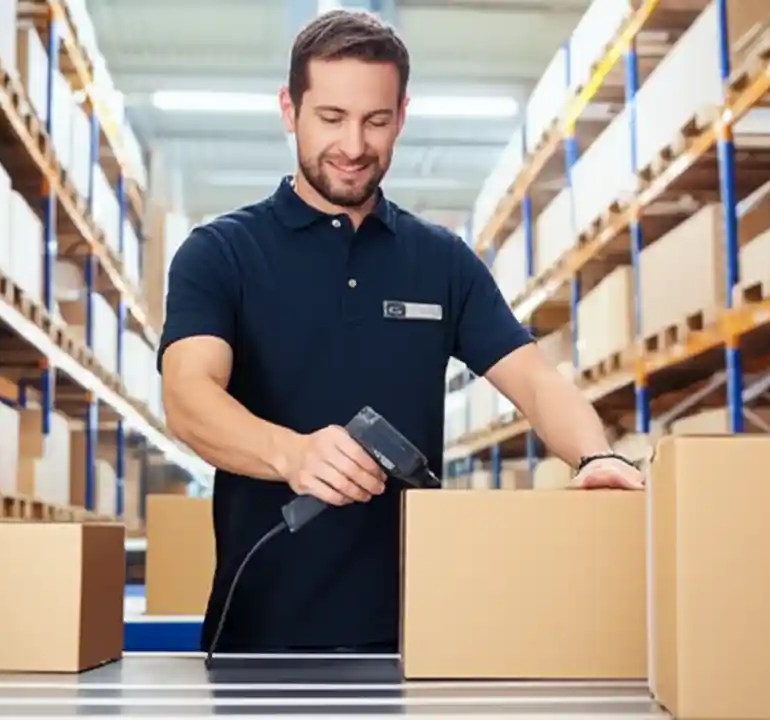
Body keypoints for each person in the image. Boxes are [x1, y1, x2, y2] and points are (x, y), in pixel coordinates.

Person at [157, 9, 645, 655]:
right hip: (260, 635)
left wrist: (597, 456)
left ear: (402, 115)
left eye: (376, 120)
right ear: (289, 108)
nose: (354, 144)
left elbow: (530, 377)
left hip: (415, 632)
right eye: (331, 118)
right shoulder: (222, 253)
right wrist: (291, 453)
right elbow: (189, 396)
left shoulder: (439, 260)